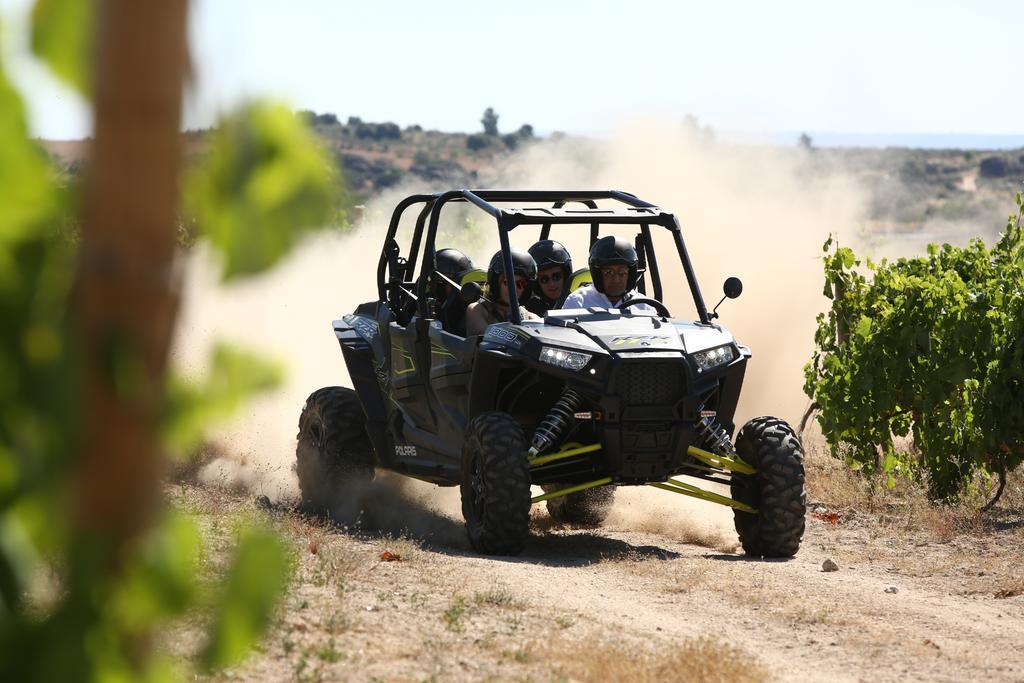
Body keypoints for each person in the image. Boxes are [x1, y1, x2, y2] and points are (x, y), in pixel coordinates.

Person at [561, 235, 656, 313]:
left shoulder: (645, 306)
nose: (616, 279)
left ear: (630, 274)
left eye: (622, 272)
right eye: (608, 272)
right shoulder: (577, 302)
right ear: (598, 274)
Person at [465, 249, 539, 336]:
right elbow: (488, 337)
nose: (514, 288)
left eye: (520, 284)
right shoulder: (477, 310)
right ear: (496, 283)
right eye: (507, 282)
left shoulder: (530, 318)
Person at [432, 248, 474, 334]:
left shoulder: (474, 311)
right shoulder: (426, 305)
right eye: (441, 281)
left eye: (448, 281)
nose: (442, 287)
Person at [525, 239, 572, 315]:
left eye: (556, 277)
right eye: (544, 280)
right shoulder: (528, 312)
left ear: (565, 276)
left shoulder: (578, 302)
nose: (552, 284)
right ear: (536, 284)